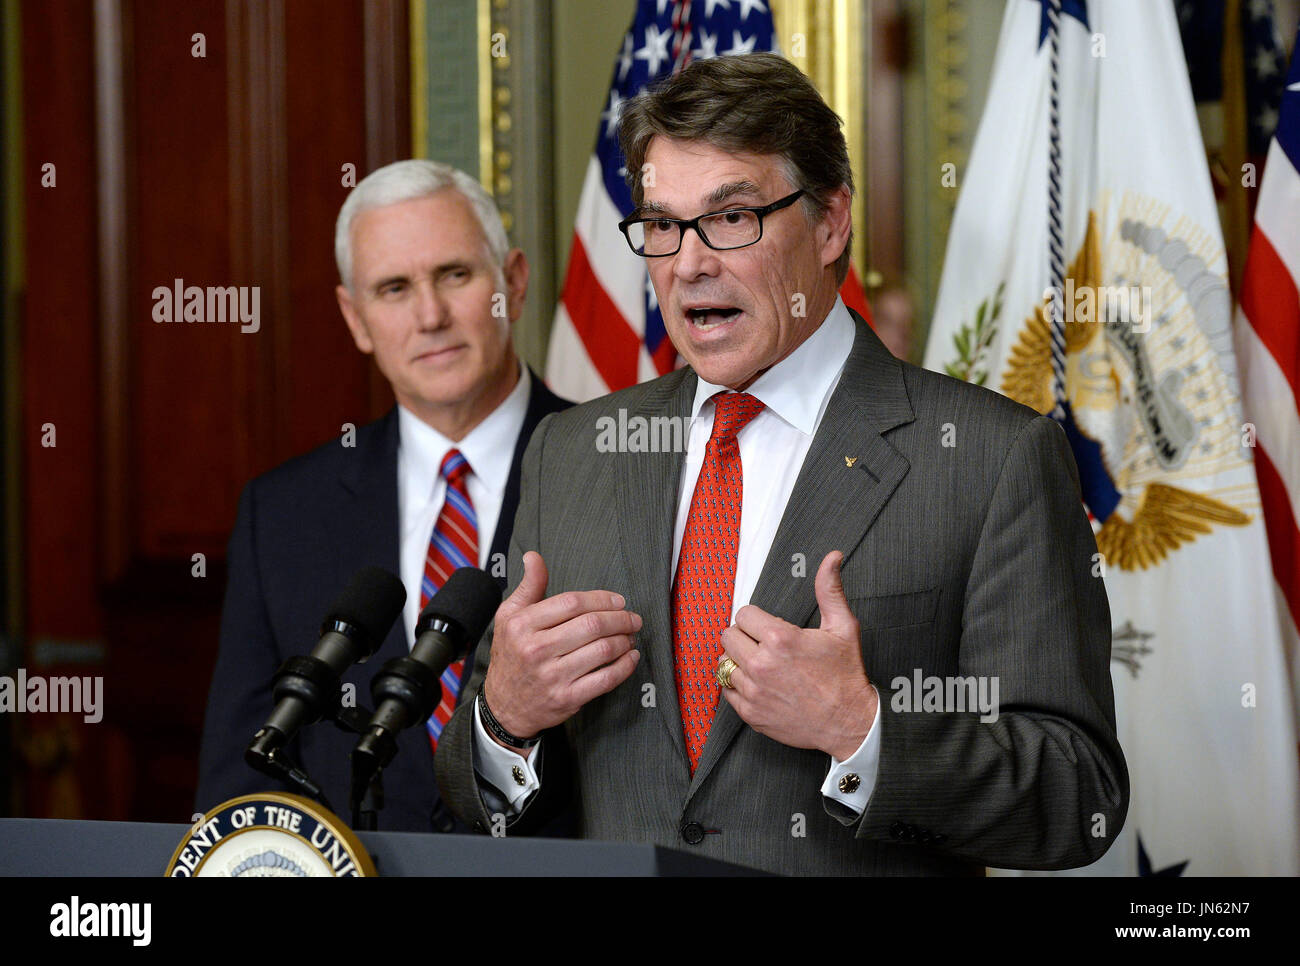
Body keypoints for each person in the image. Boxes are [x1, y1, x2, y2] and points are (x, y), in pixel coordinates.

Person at [435, 54, 1128, 875]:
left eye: (731, 218)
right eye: (661, 224)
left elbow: (1078, 797)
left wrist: (861, 730)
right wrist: (504, 723)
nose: (688, 262)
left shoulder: (992, 458)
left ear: (831, 221)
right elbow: (476, 794)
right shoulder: (573, 451)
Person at [195, 160, 570, 832]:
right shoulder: (281, 515)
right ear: (356, 317)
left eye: (455, 275)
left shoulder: (620, 471)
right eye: (393, 288)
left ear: (512, 284)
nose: (430, 315)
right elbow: (238, 790)